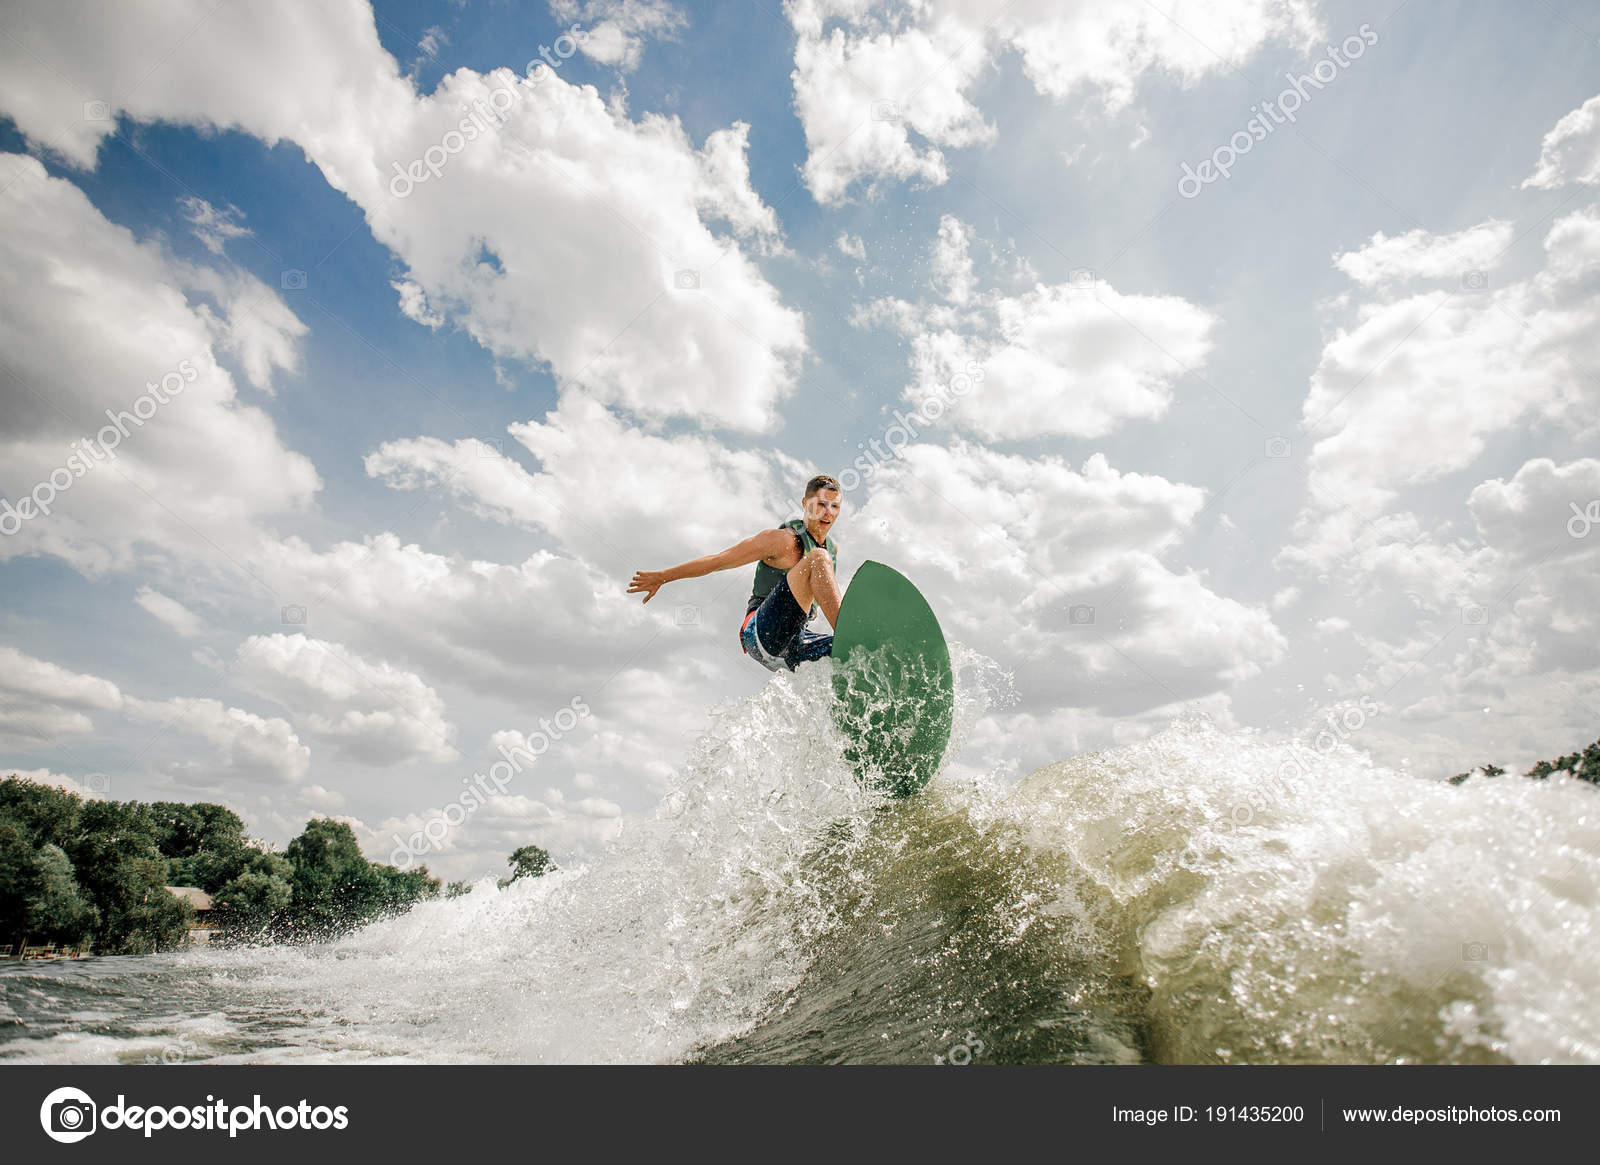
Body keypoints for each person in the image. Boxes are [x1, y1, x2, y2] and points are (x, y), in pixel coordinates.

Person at [628, 475, 843, 672]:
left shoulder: (832, 550)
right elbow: (718, 561)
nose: (828, 512)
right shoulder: (781, 540)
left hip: (794, 644)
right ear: (805, 504)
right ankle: (847, 632)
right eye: (821, 504)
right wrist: (663, 576)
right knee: (818, 558)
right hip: (760, 633)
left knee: (853, 652)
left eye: (834, 506)